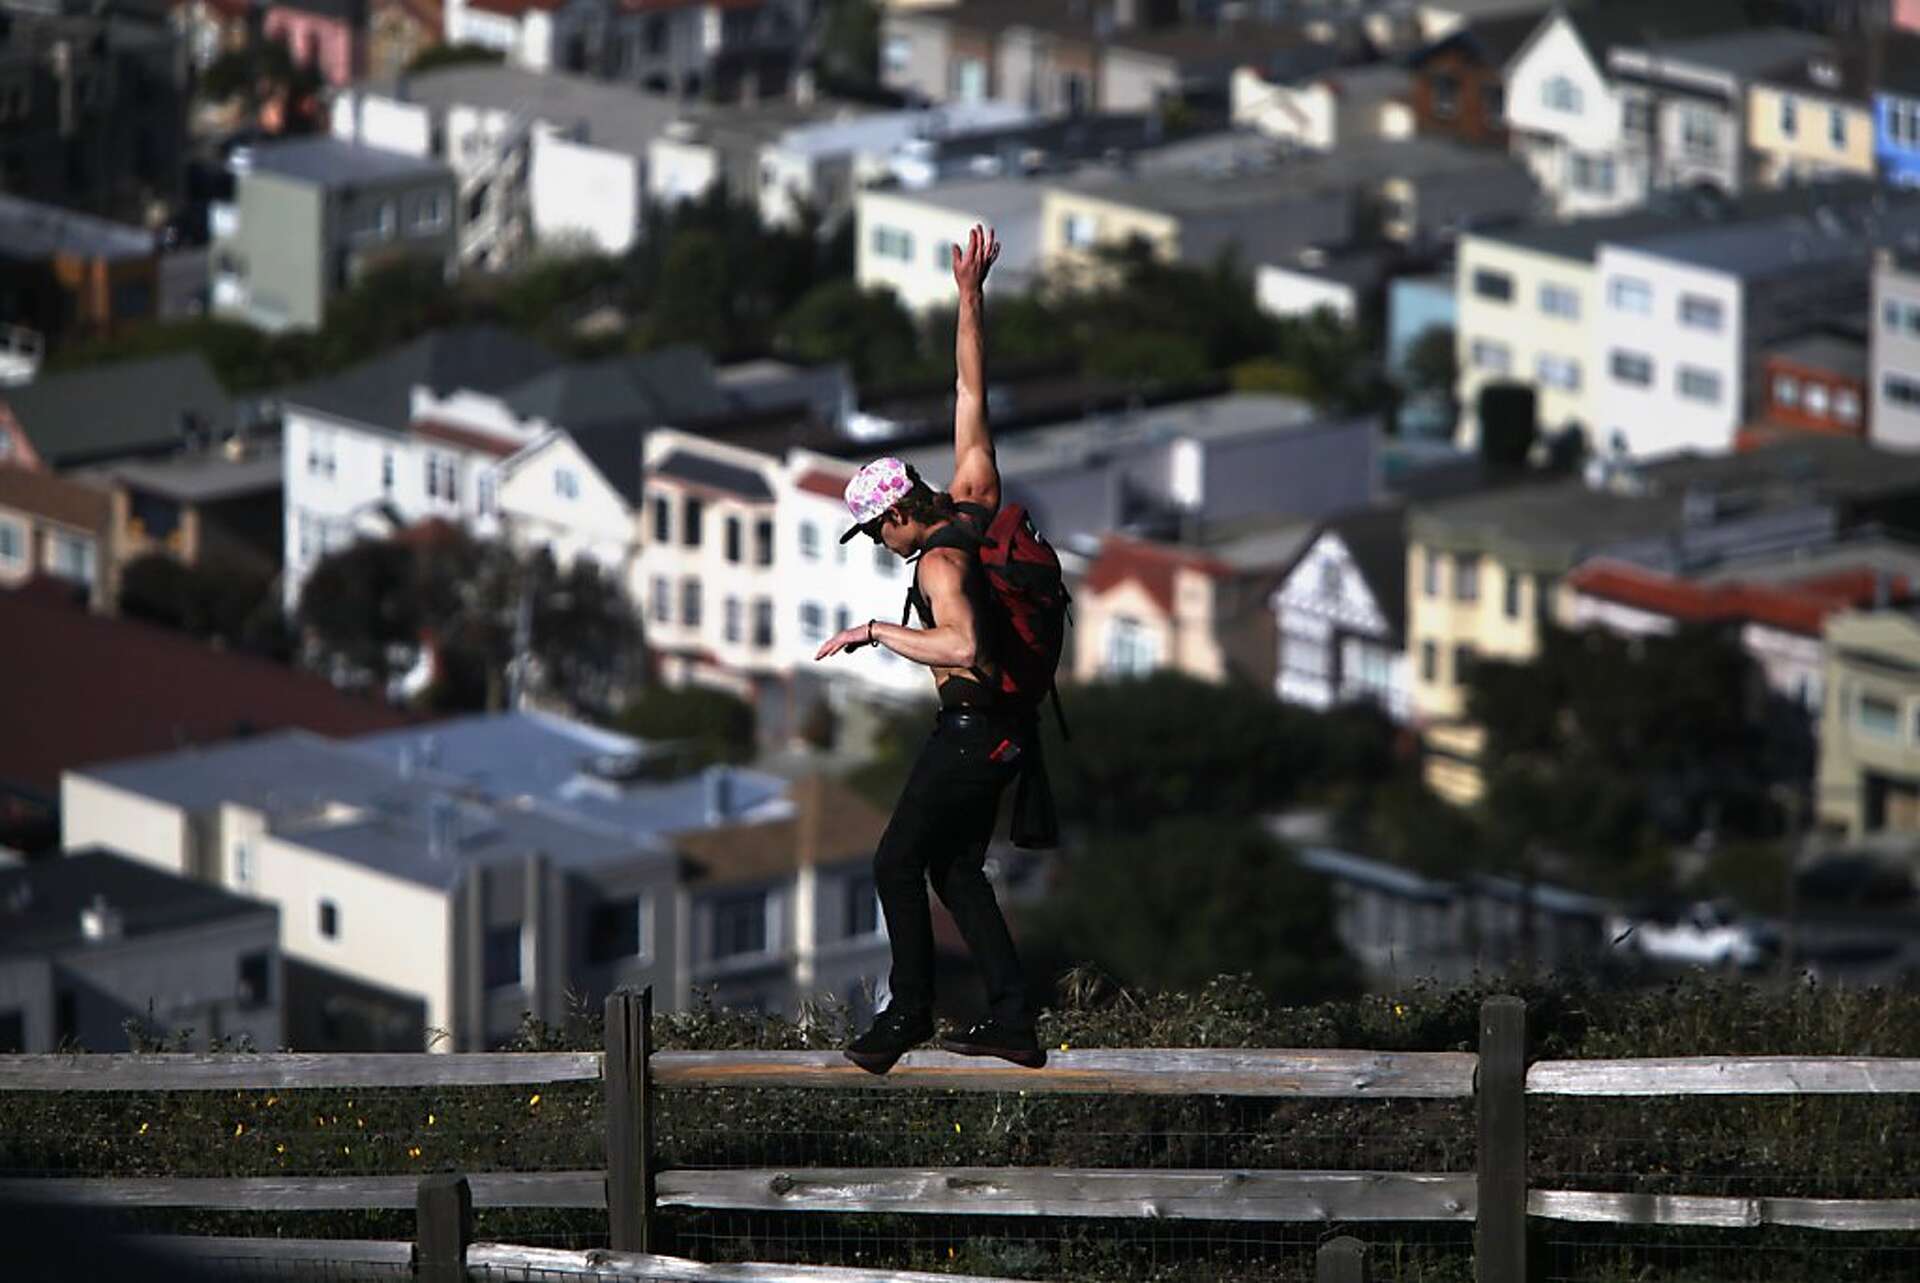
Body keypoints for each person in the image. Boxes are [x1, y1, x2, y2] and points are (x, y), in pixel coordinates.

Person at [814, 224, 1047, 1075]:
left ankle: (907, 1011)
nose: (876, 542)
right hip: (1010, 732)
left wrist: (877, 631)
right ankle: (1013, 1018)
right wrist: (970, 297)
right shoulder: (973, 496)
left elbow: (965, 645)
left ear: (894, 513)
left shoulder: (943, 559)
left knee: (893, 860)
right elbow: (970, 390)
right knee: (955, 867)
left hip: (973, 726)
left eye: (874, 529)